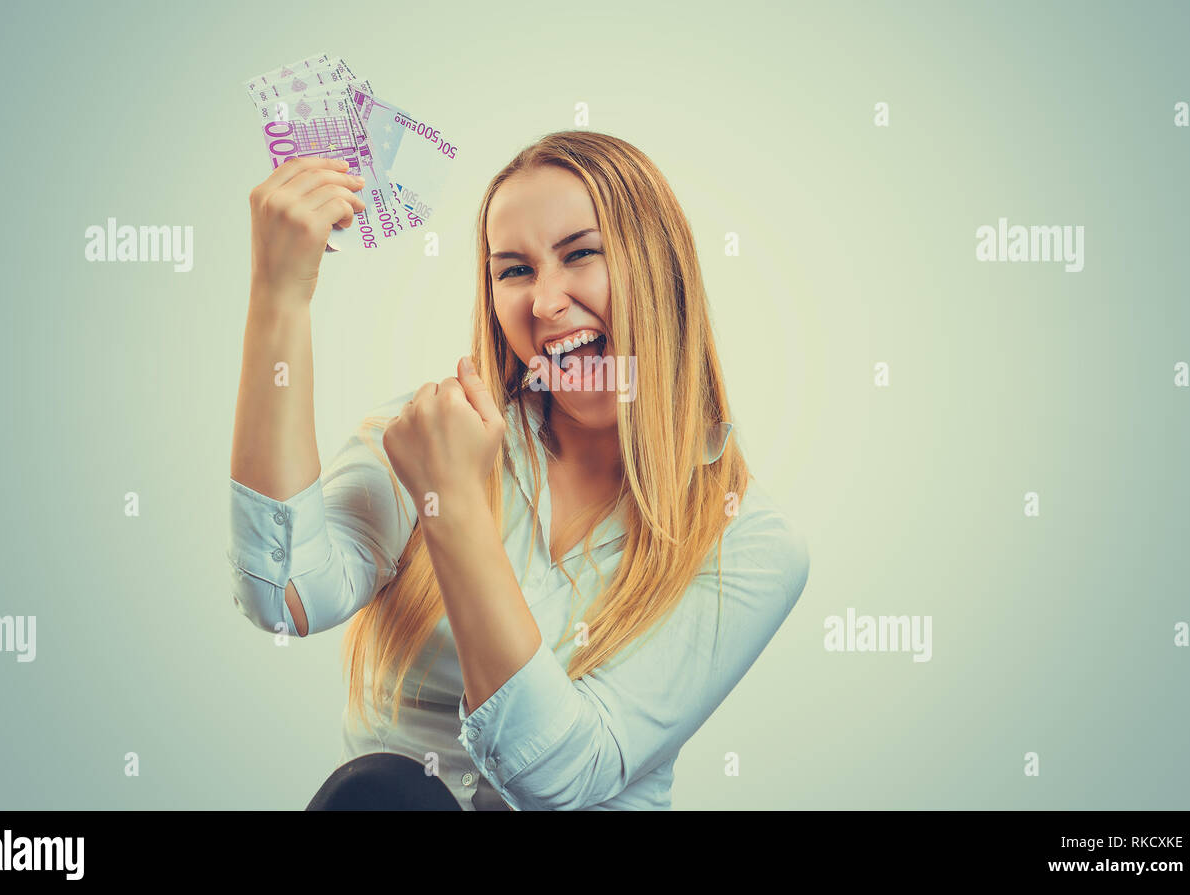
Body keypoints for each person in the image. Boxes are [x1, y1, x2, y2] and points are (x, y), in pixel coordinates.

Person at [227, 130, 810, 810]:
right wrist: (280, 295)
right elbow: (283, 596)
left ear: (659, 270)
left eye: (581, 255)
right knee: (382, 793)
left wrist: (455, 508)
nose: (545, 302)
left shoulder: (752, 542)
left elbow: (561, 776)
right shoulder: (425, 437)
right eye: (514, 270)